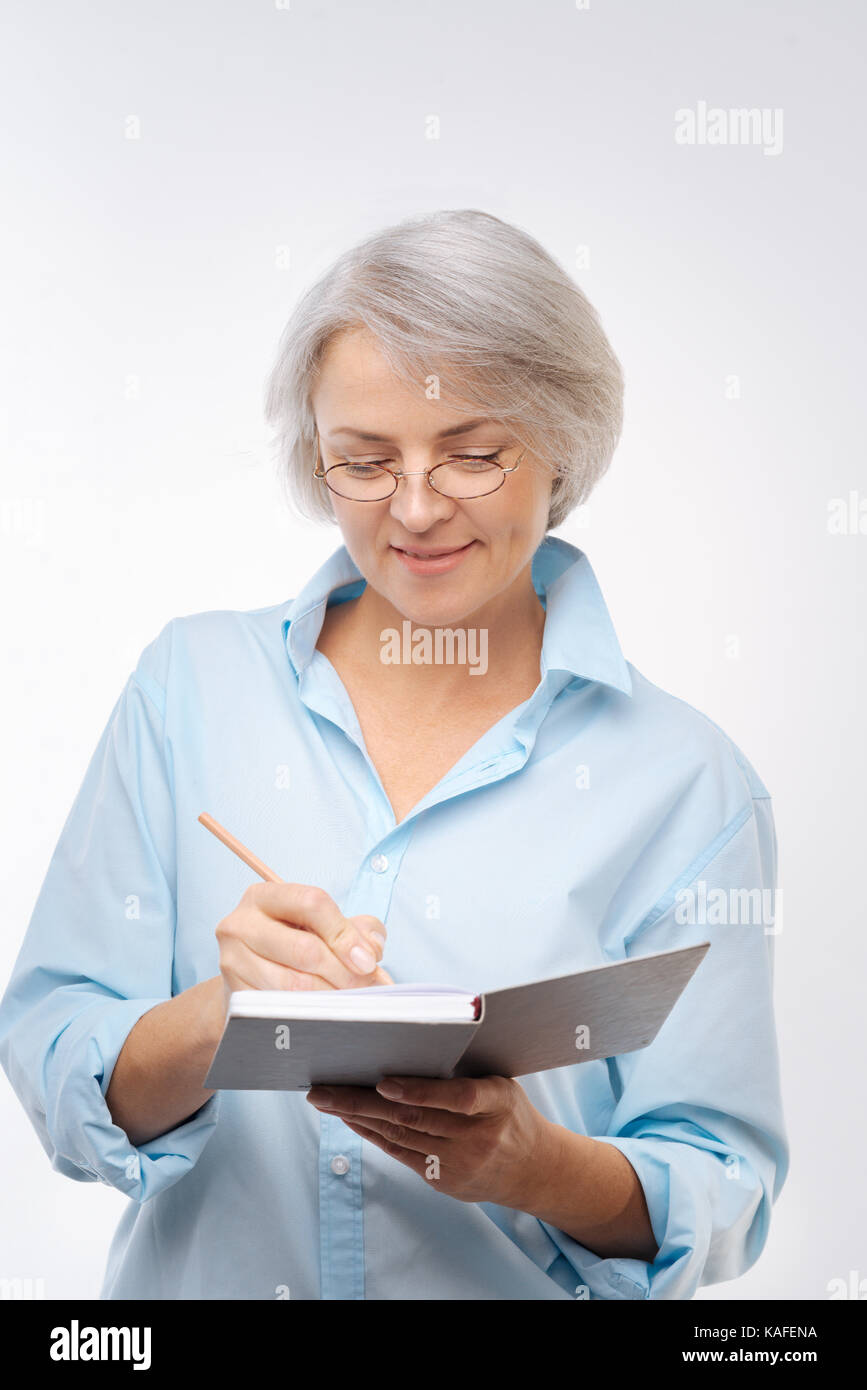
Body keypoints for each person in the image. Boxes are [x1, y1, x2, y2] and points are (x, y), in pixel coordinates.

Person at [0, 209, 788, 1300]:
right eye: (364, 463)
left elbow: (722, 1188)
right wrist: (223, 1014)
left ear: (561, 439)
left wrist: (531, 1164)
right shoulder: (187, 692)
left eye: (471, 454)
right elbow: (53, 1064)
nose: (414, 511)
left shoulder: (687, 785)